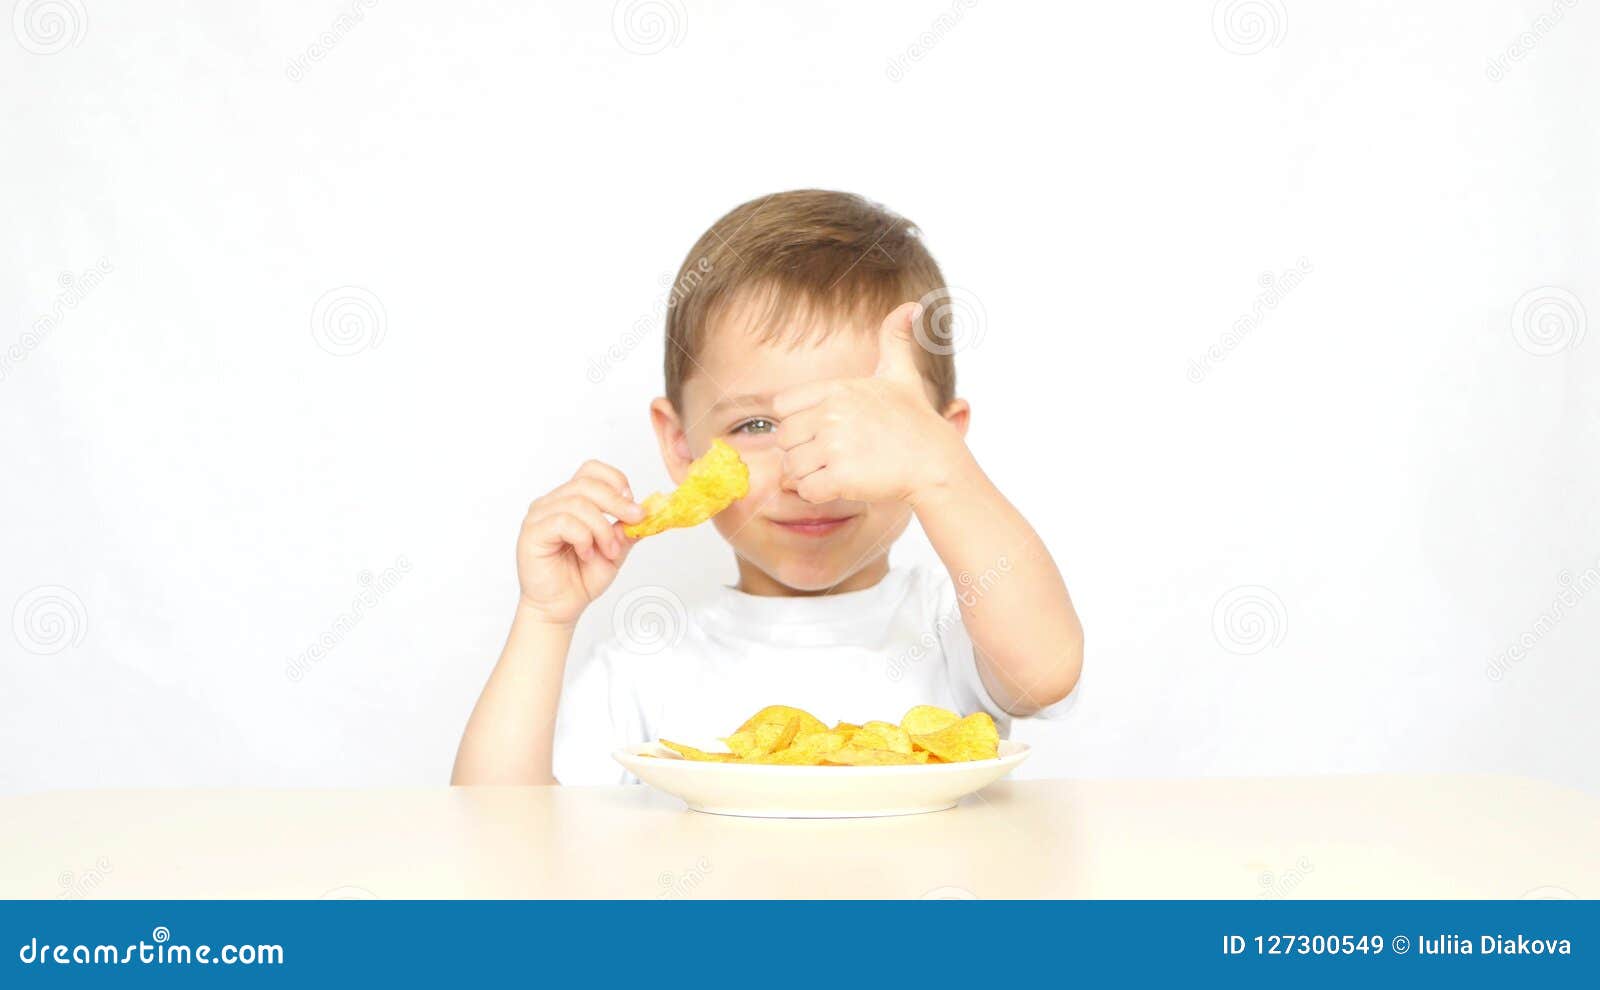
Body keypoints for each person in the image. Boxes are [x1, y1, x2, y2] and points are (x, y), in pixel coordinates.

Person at [452, 190, 1083, 785]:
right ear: (681, 446)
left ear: (940, 439)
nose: (807, 474)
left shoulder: (957, 624)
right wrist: (544, 618)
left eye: (853, 425)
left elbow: (1047, 671)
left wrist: (944, 474)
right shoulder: (645, 663)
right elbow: (503, 835)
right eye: (755, 425)